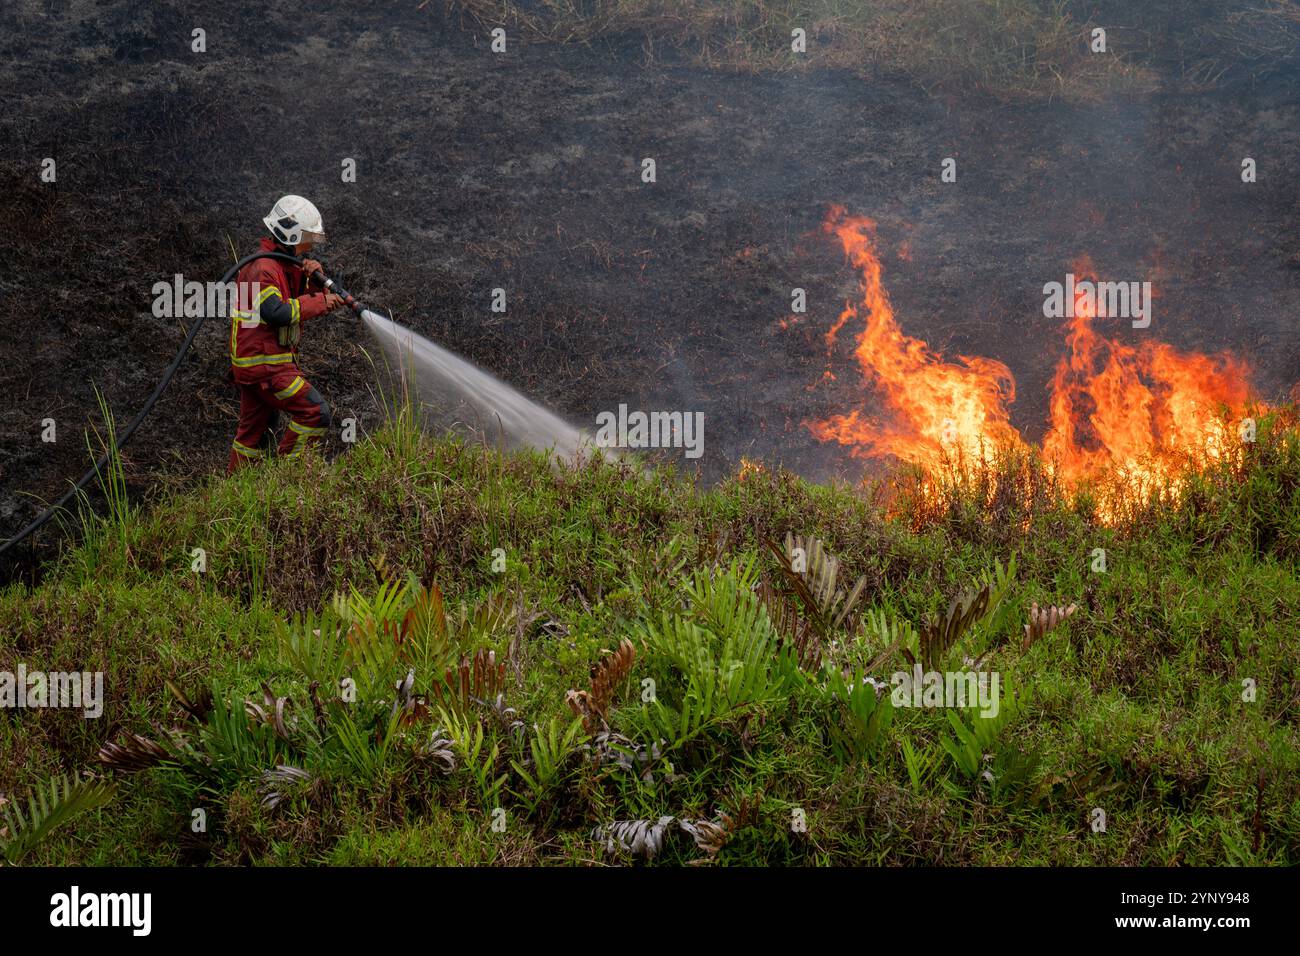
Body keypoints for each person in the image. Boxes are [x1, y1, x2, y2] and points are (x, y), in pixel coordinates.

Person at [227, 195, 345, 473]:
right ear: (291, 234)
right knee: (315, 413)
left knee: (254, 437)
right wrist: (320, 302)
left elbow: (289, 298)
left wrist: (308, 278)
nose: (311, 244)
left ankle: (237, 488)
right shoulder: (262, 268)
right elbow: (276, 312)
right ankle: (287, 476)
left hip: (259, 364)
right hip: (266, 366)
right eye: (308, 237)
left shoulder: (277, 265)